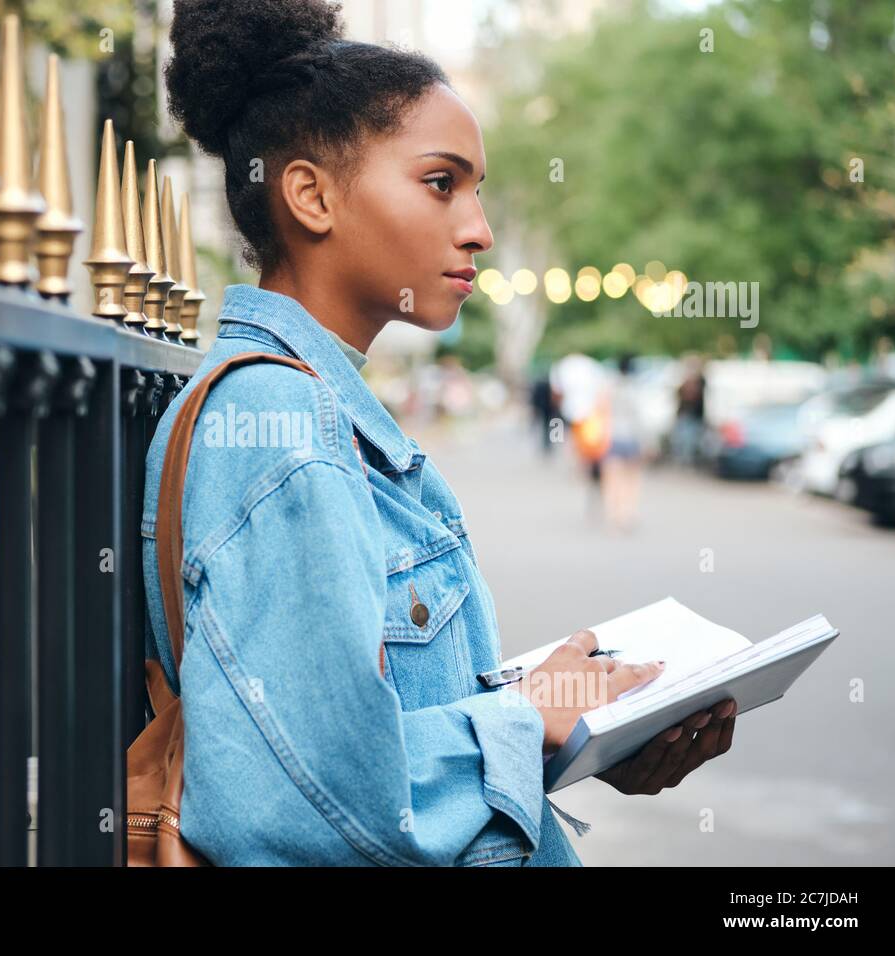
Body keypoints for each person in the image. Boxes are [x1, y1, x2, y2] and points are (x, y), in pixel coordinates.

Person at [142, 0, 736, 866]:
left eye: (478, 190)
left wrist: (572, 727)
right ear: (310, 193)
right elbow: (309, 801)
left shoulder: (307, 410)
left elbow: (370, 744)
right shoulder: (281, 431)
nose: (480, 230)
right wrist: (528, 717)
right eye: (440, 182)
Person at [600, 354, 647, 533]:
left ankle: (613, 514)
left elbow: (600, 412)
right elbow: (640, 418)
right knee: (632, 480)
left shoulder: (608, 387)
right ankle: (629, 512)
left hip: (611, 436)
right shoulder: (635, 388)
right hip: (632, 438)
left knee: (612, 479)